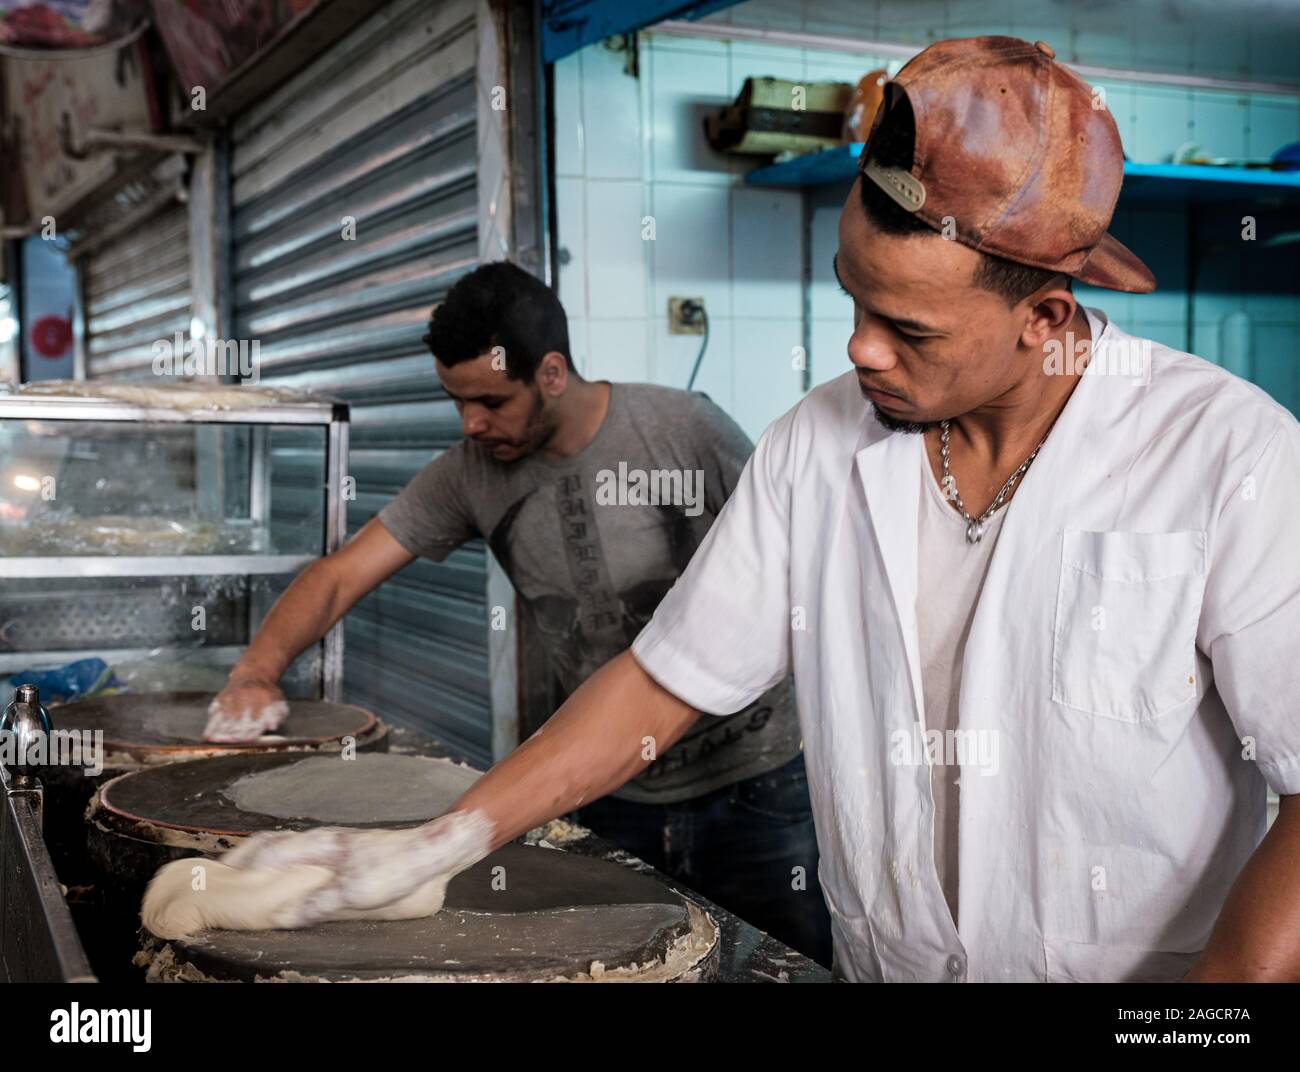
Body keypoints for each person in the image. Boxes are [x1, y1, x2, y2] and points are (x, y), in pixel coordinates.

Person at [195, 37, 1300, 982]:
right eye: (852, 299)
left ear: (1044, 315)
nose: (859, 350)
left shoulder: (1222, 457)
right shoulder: (818, 446)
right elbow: (664, 680)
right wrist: (445, 838)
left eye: (907, 330)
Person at [204, 261, 831, 965]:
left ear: (552, 373)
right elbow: (340, 574)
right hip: (605, 789)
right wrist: (256, 670)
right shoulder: (471, 473)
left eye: (492, 402)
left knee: (780, 965)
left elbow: (799, 566)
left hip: (754, 784)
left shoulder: (684, 429)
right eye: (457, 402)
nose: (472, 423)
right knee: (621, 968)